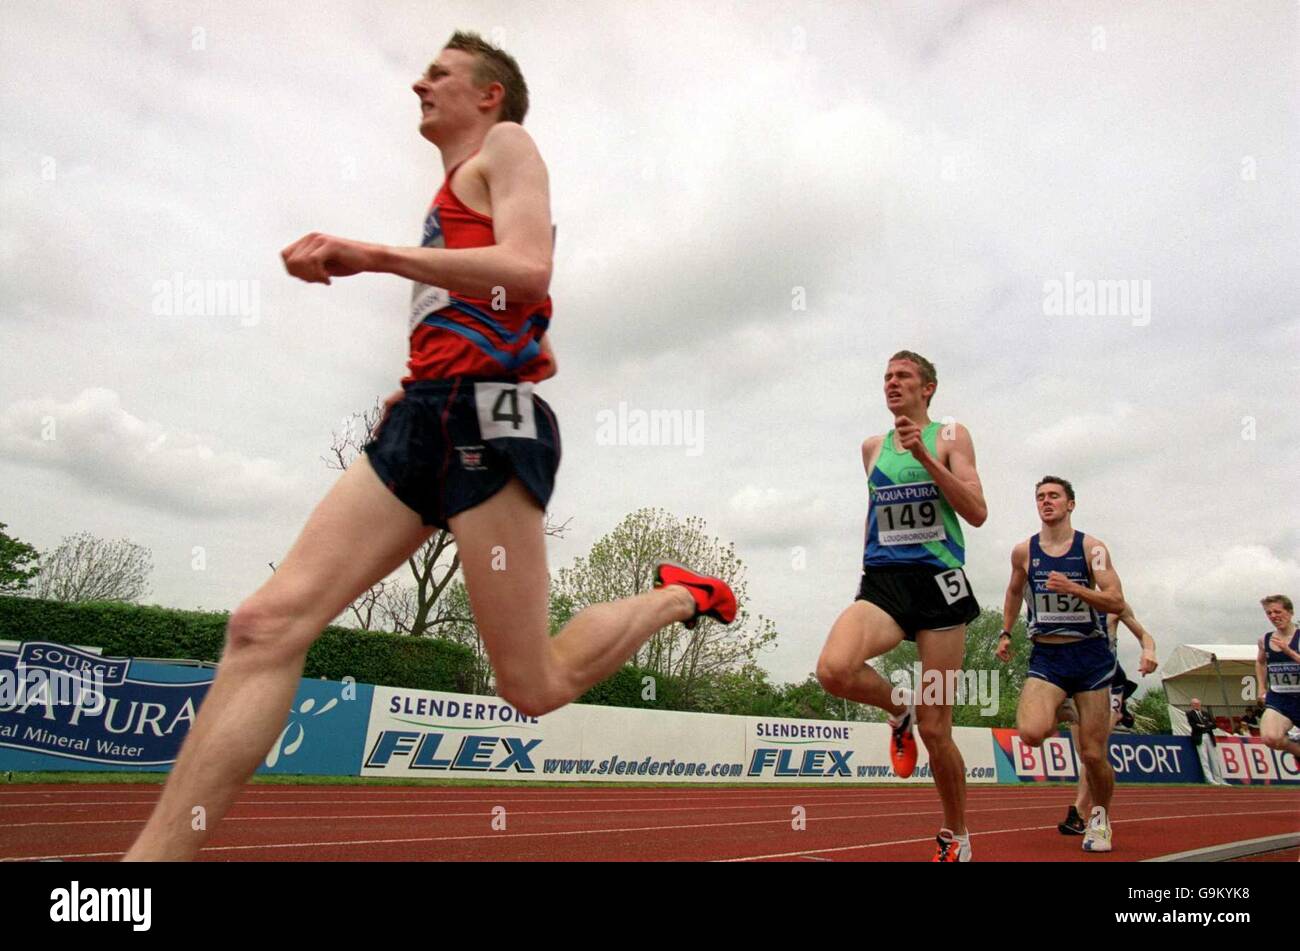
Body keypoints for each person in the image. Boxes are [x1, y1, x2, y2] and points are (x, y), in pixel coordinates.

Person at [124, 32, 736, 861]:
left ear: (489, 94)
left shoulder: (508, 145)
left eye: (439, 73)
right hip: (425, 416)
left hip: (486, 423)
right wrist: (424, 379)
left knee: (534, 686)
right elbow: (492, 315)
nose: (420, 81)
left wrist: (369, 255)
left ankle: (679, 595)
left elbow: (527, 269)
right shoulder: (450, 191)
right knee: (265, 625)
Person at [816, 351, 987, 862]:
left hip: (941, 587)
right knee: (834, 668)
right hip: (885, 584)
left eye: (903, 376)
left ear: (927, 388)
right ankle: (898, 707)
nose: (891, 383)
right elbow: (876, 515)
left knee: (938, 731)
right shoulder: (872, 448)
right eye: (886, 376)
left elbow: (977, 512)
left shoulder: (950, 436)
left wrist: (927, 459)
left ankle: (956, 833)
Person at [997, 476, 1125, 853]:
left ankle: (1099, 818)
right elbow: (1014, 591)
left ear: (1071, 504)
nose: (1046, 501)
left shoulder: (1092, 548)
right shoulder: (1024, 551)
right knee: (1032, 733)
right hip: (1047, 656)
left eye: (1054, 496)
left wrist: (1076, 589)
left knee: (1092, 754)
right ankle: (1065, 707)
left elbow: (1116, 600)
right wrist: (1005, 633)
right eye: (1040, 497)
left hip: (1090, 658)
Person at [1057, 607, 1156, 835]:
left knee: (1093, 752)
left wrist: (1149, 650)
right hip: (1078, 686)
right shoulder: (1065, 604)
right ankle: (1085, 812)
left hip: (1108, 685)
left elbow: (1144, 634)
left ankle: (1083, 812)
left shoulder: (1112, 605)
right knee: (1084, 753)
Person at [1255, 595, 1300, 761]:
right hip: (1280, 697)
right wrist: (1261, 688)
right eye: (1269, 613)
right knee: (1270, 738)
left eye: (1277, 611)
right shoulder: (1265, 640)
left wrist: (1290, 652)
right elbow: (1260, 663)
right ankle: (1295, 747)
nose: (1273, 616)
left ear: (1290, 612)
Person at [1186, 698, 1223, 785]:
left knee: (1214, 758)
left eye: (1198, 704)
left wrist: (1204, 725)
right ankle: (1209, 779)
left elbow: (1213, 724)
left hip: (1209, 736)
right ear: (1191, 705)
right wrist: (1205, 725)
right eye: (1195, 704)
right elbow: (1194, 725)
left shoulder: (1206, 713)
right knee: (1204, 758)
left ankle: (1219, 779)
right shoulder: (1190, 714)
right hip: (1200, 737)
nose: (1197, 705)